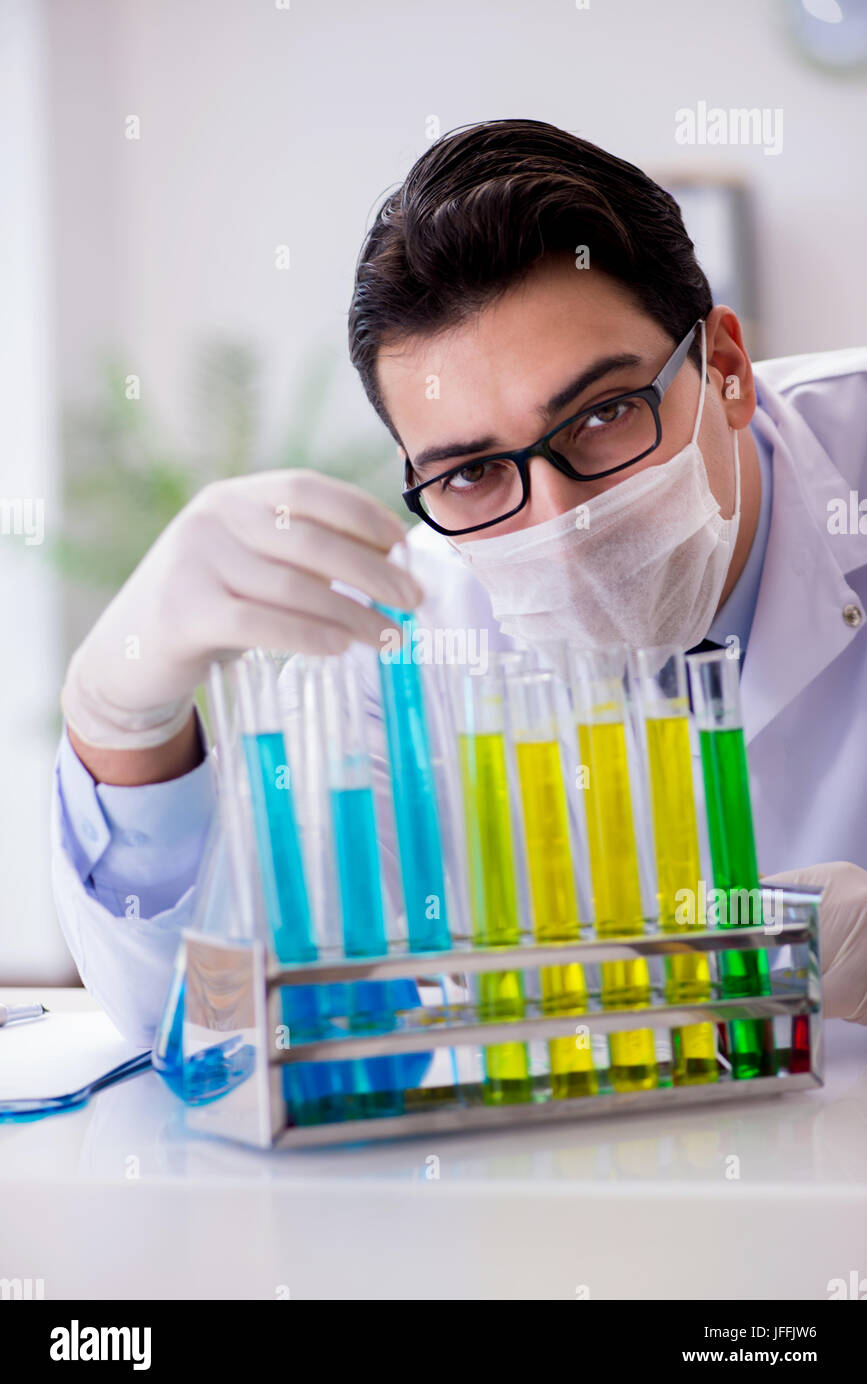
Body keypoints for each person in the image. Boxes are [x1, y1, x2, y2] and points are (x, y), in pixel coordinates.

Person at [53, 119, 867, 1046]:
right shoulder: (403, 636)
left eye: (602, 413)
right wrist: (123, 726)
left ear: (723, 367)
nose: (556, 519)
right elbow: (218, 1023)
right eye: (471, 470)